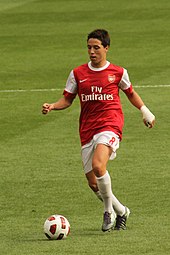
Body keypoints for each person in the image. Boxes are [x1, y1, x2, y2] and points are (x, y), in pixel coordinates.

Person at [42, 29, 155, 232]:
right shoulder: (77, 73)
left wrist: (145, 111)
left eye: (96, 47)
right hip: (87, 129)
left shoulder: (118, 72)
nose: (92, 52)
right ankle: (121, 211)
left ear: (106, 48)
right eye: (89, 47)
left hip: (110, 125)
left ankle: (107, 211)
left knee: (98, 165)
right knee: (93, 183)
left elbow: (130, 93)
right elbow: (67, 99)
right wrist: (52, 105)